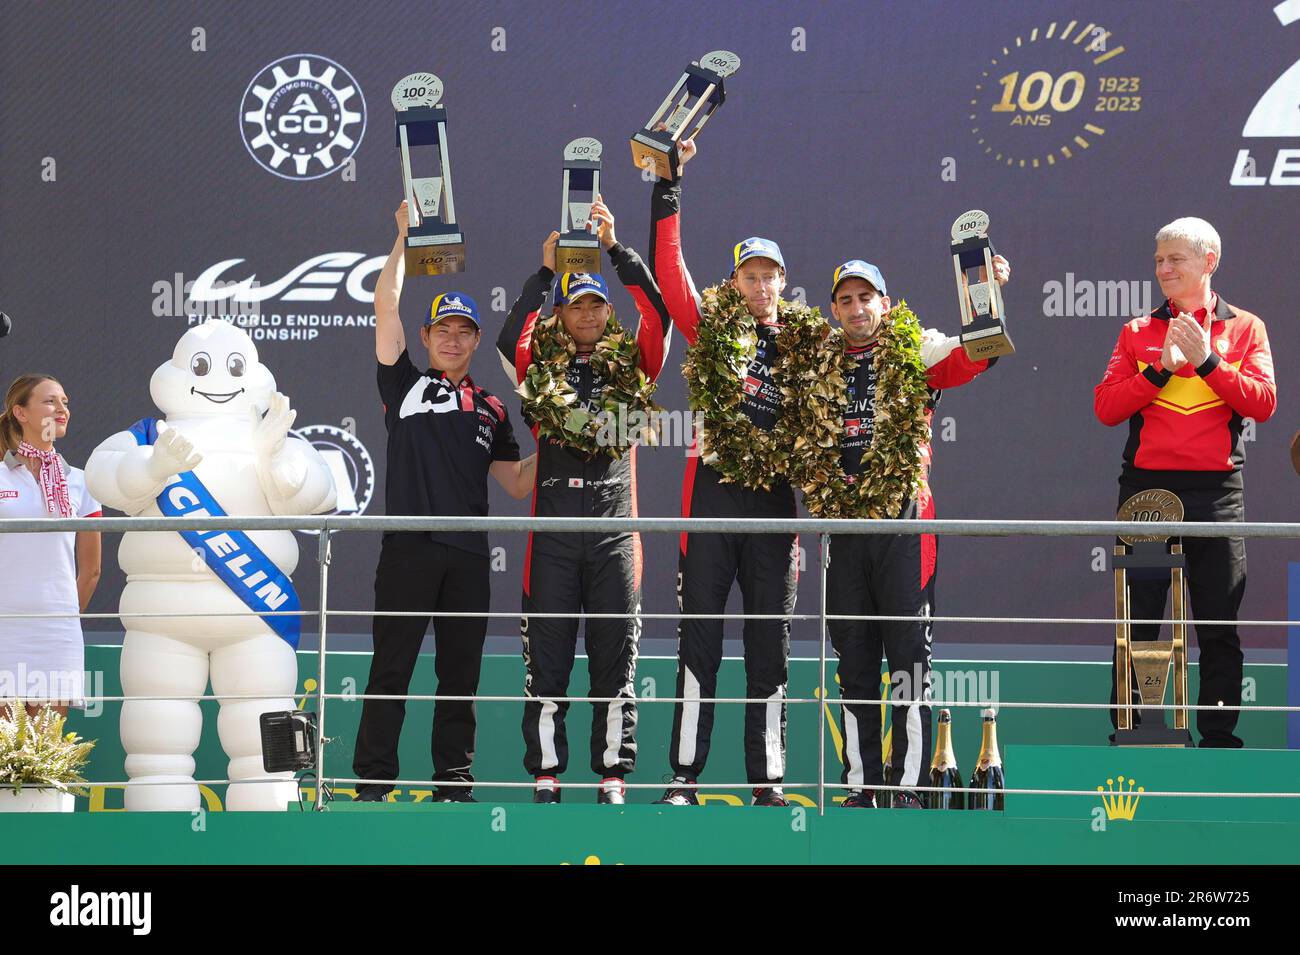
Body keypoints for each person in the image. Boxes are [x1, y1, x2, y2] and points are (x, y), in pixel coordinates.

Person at [353, 201, 536, 802]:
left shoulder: (493, 407)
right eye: (443, 330)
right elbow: (385, 305)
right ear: (427, 337)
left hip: (467, 556)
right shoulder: (402, 383)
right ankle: (374, 783)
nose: (453, 339)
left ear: (477, 340)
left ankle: (453, 783)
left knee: (461, 675)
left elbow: (515, 482)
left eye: (464, 331)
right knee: (392, 669)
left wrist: (566, 437)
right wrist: (403, 238)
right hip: (408, 550)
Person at [496, 195, 672, 805]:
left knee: (614, 661)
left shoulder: (635, 364)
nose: (590, 314)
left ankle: (612, 776)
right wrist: (546, 273)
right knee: (546, 663)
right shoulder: (537, 364)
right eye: (579, 305)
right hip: (552, 537)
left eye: (598, 304)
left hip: (616, 533)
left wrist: (619, 251)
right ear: (564, 313)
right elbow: (507, 335)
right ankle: (547, 774)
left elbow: (659, 314)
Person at [818, 258, 1007, 808]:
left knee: (910, 664)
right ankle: (859, 788)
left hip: (905, 525)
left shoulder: (914, 348)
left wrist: (984, 294)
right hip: (844, 530)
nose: (857, 309)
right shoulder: (816, 360)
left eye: (866, 298)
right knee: (852, 663)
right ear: (834, 309)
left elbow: (979, 353)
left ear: (885, 301)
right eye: (846, 300)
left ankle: (907, 789)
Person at [648, 139, 800, 806]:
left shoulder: (808, 346)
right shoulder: (712, 330)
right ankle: (683, 777)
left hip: (773, 510)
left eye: (771, 276)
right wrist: (668, 187)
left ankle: (766, 781)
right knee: (698, 646)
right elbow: (668, 270)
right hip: (709, 503)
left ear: (782, 285)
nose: (761, 286)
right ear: (735, 282)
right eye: (750, 275)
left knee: (770, 649)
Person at [1094, 217, 1275, 748]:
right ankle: (1137, 732)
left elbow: (1262, 402)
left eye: (1176, 259)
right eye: (1158, 260)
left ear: (1209, 263)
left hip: (1217, 492)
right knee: (1140, 617)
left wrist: (1207, 360)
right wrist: (1159, 372)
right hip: (1148, 490)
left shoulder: (1245, 328)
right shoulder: (1136, 331)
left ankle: (1219, 737)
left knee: (1218, 616)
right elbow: (1106, 408)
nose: (1164, 269)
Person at [0, 374, 101, 716]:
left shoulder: (82, 481)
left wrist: (64, 618)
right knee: (6, 756)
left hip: (57, 633)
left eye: (65, 403)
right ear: (21, 413)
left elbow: (92, 570)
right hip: (4, 627)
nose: (62, 409)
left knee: (46, 755)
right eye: (50, 401)